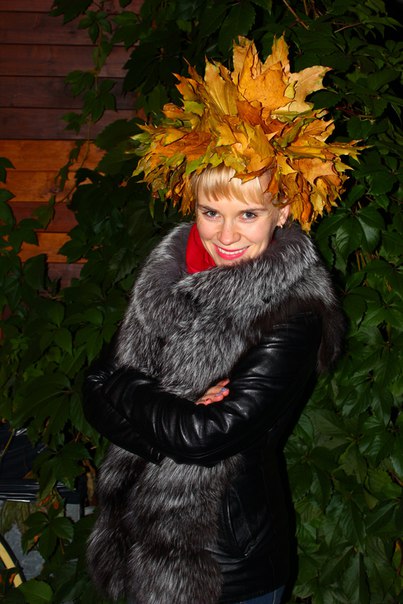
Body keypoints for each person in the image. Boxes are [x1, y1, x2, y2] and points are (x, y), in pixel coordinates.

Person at [82, 36, 358, 604]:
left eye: (248, 214)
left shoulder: (295, 310)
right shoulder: (165, 278)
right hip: (136, 541)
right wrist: (169, 410)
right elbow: (91, 397)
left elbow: (203, 439)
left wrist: (123, 387)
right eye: (211, 211)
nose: (226, 235)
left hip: (224, 568)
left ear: (283, 211)